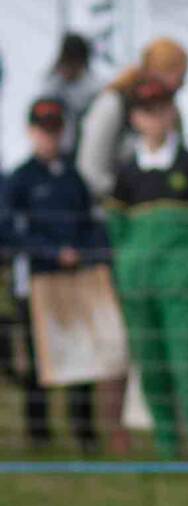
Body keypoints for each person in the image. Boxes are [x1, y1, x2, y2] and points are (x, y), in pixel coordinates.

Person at [105, 77, 188, 457]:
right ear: (135, 119)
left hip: (182, 281)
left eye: (162, 109)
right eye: (146, 112)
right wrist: (126, 269)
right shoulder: (126, 173)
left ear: (172, 112)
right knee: (151, 365)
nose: (155, 118)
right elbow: (116, 229)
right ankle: (167, 445)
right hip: (136, 283)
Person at [5, 94, 109, 450]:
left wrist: (86, 252)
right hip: (35, 281)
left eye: (55, 130)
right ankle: (39, 432)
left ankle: (85, 430)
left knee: (83, 356)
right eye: (43, 130)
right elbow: (9, 231)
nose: (49, 137)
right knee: (38, 360)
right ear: (31, 132)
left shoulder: (73, 177)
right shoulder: (18, 180)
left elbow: (91, 221)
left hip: (75, 278)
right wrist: (50, 252)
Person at [77, 38, 188, 200]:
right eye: (179, 77)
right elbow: (91, 171)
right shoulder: (113, 104)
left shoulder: (174, 111)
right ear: (158, 72)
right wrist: (133, 194)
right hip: (117, 211)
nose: (182, 85)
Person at [35, 33, 97, 153]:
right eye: (66, 63)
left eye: (74, 64)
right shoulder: (51, 82)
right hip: (57, 149)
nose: (69, 69)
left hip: (86, 148)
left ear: (82, 64)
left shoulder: (93, 87)